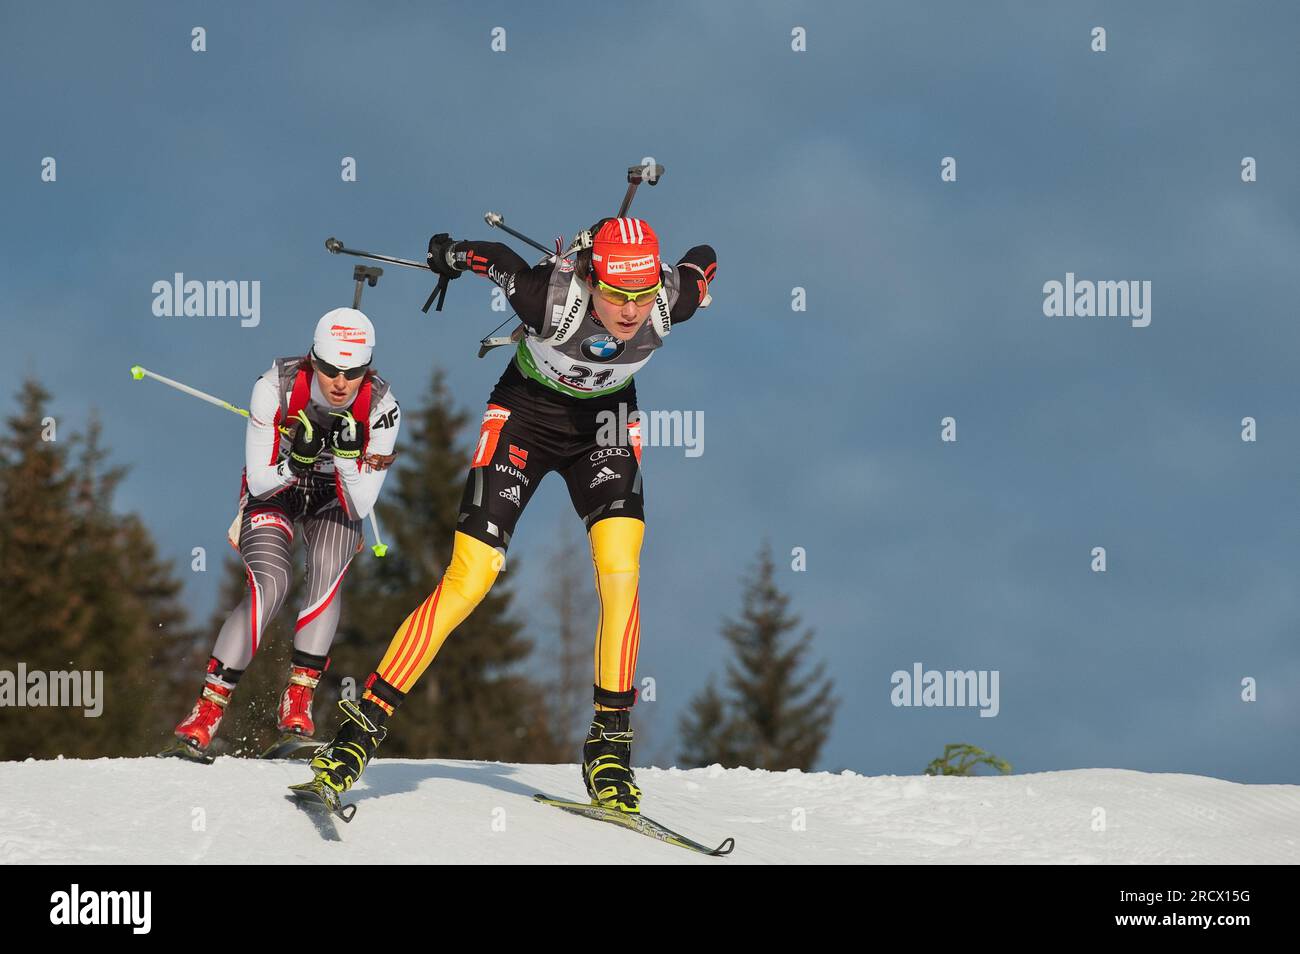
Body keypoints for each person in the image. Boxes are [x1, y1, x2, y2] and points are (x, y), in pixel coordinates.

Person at [304, 216, 716, 813]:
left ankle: (609, 749)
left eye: (642, 294)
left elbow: (702, 259)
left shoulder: (670, 300)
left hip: (603, 429)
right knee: (470, 578)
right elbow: (491, 255)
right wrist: (448, 253)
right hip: (525, 418)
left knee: (621, 572)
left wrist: (698, 271)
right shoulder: (548, 298)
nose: (631, 311)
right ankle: (359, 732)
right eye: (618, 293)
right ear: (590, 275)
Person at [166, 308, 401, 757]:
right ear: (313, 360)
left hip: (335, 496)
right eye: (329, 369)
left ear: (366, 369)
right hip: (277, 488)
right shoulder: (274, 386)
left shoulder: (383, 409)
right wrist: (297, 462)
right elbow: (258, 481)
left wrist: (349, 461)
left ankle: (298, 702)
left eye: (352, 373)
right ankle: (207, 710)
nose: (339, 383)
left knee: (330, 568)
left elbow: (360, 505)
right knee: (272, 583)